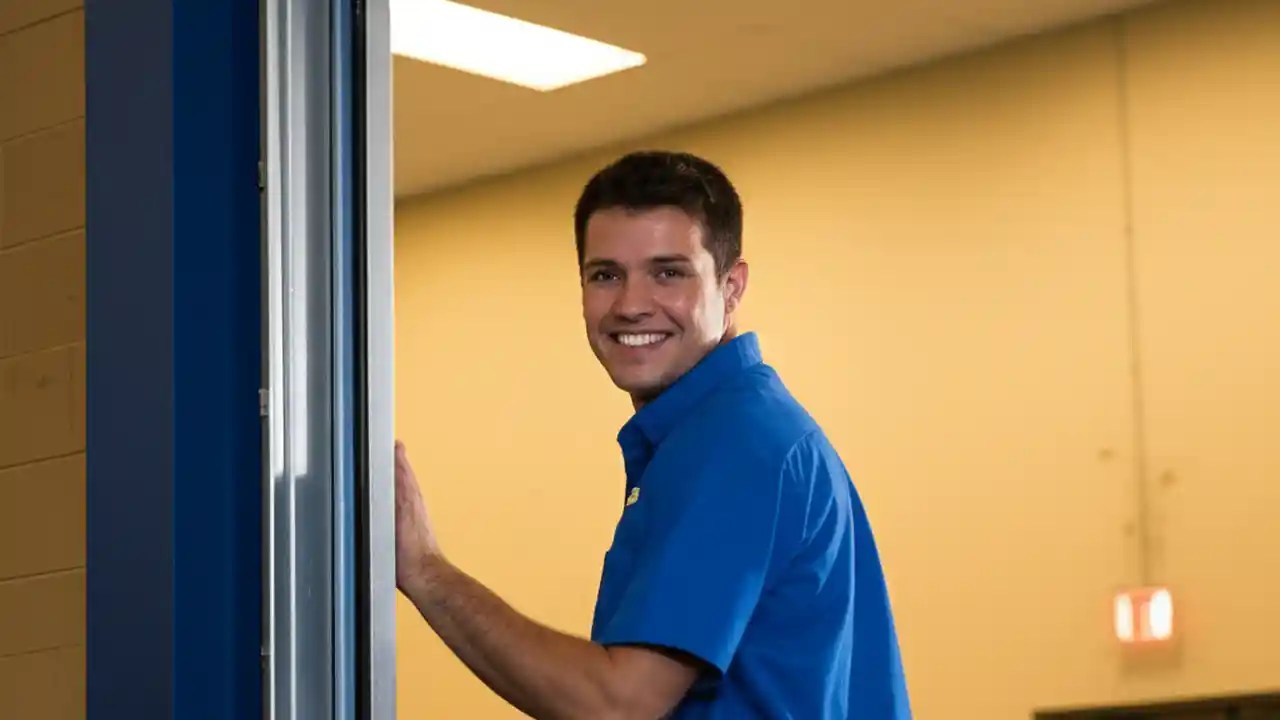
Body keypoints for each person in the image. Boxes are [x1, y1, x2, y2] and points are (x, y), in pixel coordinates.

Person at [394, 150, 912, 719]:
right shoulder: (728, 431)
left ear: (732, 287)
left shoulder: (735, 444)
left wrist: (425, 570)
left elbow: (618, 705)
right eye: (605, 275)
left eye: (669, 273)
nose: (631, 305)